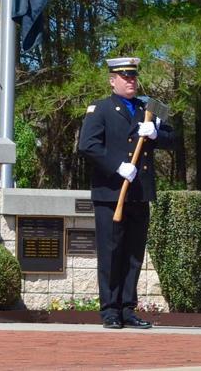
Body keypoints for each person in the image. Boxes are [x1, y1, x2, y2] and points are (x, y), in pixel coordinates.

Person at [78, 57, 174, 330]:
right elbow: (87, 145)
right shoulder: (101, 109)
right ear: (112, 81)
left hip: (140, 193)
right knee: (111, 252)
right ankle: (110, 310)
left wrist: (156, 133)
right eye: (124, 77)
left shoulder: (150, 107)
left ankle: (128, 309)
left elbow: (173, 138)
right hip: (111, 193)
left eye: (133, 76)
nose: (130, 81)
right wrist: (116, 166)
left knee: (134, 253)